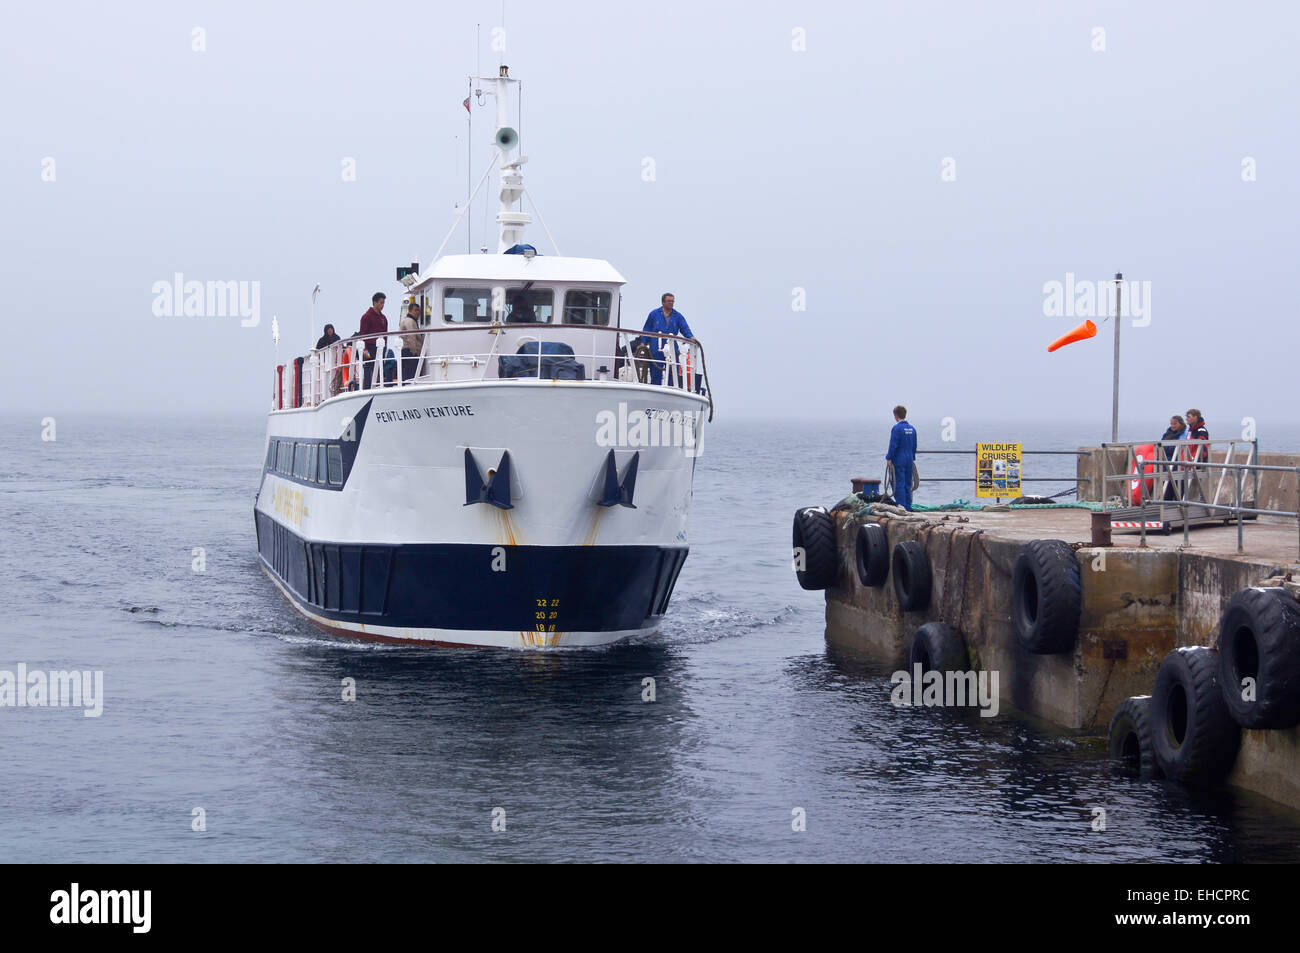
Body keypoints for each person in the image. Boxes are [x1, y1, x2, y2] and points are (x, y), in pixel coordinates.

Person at [639, 293, 696, 387]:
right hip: (656, 348)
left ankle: (672, 389)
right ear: (663, 302)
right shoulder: (654, 314)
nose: (671, 303)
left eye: (672, 301)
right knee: (656, 372)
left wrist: (691, 337)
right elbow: (647, 329)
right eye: (669, 301)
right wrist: (643, 343)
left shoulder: (678, 316)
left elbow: (684, 328)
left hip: (672, 348)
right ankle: (655, 389)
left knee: (673, 371)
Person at [886, 405, 918, 511]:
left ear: (896, 415)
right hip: (909, 459)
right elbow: (914, 446)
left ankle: (902, 507)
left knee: (898, 483)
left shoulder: (896, 429)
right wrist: (912, 457)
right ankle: (908, 506)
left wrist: (889, 458)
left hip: (899, 459)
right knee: (908, 484)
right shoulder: (912, 429)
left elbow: (893, 445)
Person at [356, 292, 388, 389]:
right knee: (368, 368)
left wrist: (385, 347)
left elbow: (385, 334)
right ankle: (367, 389)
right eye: (381, 303)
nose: (382, 305)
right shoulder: (366, 317)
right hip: (370, 347)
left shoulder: (383, 318)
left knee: (379, 368)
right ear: (375, 302)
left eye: (383, 303)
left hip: (380, 347)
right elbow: (363, 334)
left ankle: (379, 387)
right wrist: (365, 349)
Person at [1184, 408, 1210, 501]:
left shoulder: (1201, 430)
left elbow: (1202, 447)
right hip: (1189, 462)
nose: (1187, 419)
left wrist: (1194, 460)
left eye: (1189, 417)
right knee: (1186, 487)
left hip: (1197, 463)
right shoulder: (1191, 430)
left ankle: (1193, 507)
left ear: (1196, 417)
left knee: (1194, 487)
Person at [1160, 414, 1186, 500]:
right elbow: (1161, 446)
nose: (1172, 426)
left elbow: (1178, 448)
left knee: (1178, 489)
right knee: (1166, 489)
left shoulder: (1184, 434)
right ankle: (1166, 507)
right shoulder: (1167, 434)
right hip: (1165, 464)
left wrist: (1165, 447)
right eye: (1171, 424)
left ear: (1181, 424)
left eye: (1175, 424)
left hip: (1177, 465)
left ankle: (1179, 506)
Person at [399, 302, 422, 382]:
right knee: (410, 373)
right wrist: (414, 352)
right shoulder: (410, 321)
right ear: (410, 311)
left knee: (407, 373)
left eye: (418, 310)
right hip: (409, 351)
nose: (417, 312)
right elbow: (411, 336)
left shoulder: (410, 320)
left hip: (407, 350)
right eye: (415, 310)